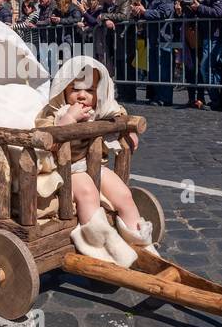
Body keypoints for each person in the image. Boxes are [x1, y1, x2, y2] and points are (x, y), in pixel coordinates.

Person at [35, 57, 151, 262]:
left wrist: (128, 129)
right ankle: (99, 245)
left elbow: (119, 112)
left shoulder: (99, 110)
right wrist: (68, 119)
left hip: (95, 164)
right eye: (75, 89)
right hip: (68, 168)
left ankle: (139, 240)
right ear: (63, 88)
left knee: (123, 193)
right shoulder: (53, 111)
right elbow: (48, 142)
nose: (82, 96)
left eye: (89, 91)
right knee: (88, 192)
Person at [176, 0, 222, 109]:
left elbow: (218, 11)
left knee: (207, 68)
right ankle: (215, 100)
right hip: (208, 34)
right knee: (207, 68)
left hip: (215, 34)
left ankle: (217, 100)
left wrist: (197, 7)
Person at [134, 0, 176, 105]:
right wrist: (137, 12)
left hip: (165, 36)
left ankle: (165, 98)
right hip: (151, 36)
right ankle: (156, 96)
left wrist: (145, 12)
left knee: (165, 69)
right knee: (153, 68)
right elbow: (143, 13)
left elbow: (163, 13)